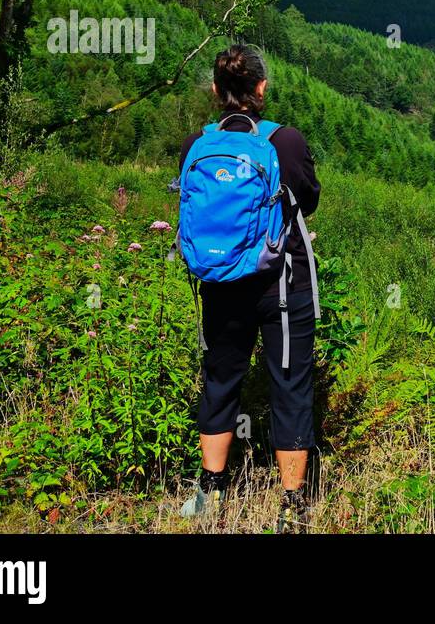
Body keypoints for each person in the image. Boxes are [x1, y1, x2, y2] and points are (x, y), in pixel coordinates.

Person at [176, 44, 321, 533]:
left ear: (217, 91)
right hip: (281, 280)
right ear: (261, 88)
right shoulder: (287, 142)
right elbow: (309, 200)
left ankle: (210, 490)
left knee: (220, 377)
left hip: (220, 281)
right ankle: (291, 504)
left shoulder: (198, 143)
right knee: (290, 384)